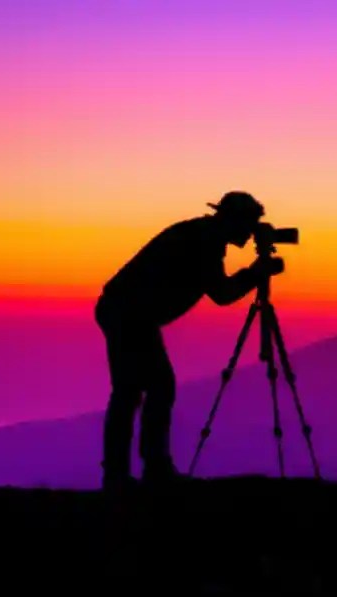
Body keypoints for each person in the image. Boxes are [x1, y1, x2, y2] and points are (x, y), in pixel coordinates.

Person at [95, 191, 284, 490]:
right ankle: (149, 470)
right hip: (129, 314)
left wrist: (253, 274)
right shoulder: (205, 242)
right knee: (149, 388)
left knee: (132, 392)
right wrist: (254, 274)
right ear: (232, 221)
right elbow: (222, 294)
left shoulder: (202, 234)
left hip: (127, 311)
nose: (250, 233)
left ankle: (126, 472)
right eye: (248, 225)